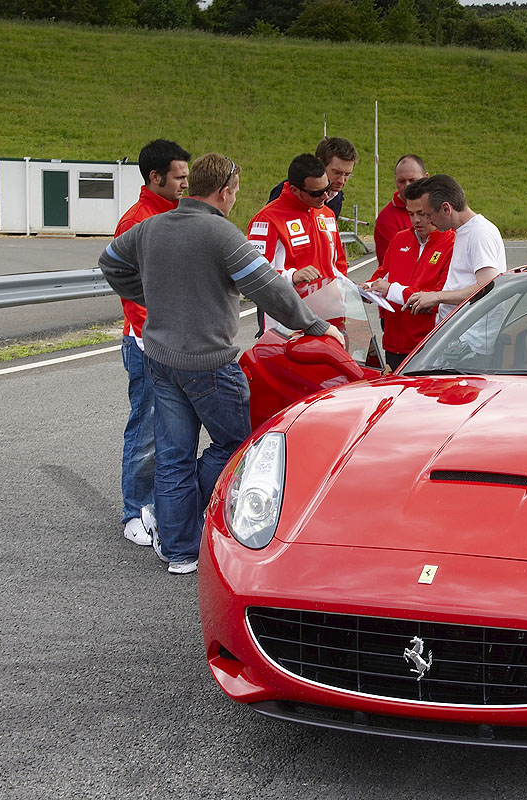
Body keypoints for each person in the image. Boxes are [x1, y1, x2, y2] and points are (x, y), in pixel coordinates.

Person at [99, 153, 344, 575]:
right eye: (235, 192)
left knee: (173, 455)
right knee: (237, 447)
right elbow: (268, 288)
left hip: (160, 358)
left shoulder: (152, 227)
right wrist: (315, 324)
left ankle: (179, 549)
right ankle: (183, 518)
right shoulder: (221, 234)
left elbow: (110, 262)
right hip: (209, 362)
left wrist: (149, 294)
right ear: (224, 191)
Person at [114, 139, 189, 548]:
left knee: (173, 431)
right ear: (155, 177)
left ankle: (162, 507)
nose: (185, 184)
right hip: (148, 345)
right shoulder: (136, 222)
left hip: (177, 341)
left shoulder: (178, 214)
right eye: (179, 178)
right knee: (145, 430)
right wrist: (154, 338)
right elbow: (132, 293)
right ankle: (134, 512)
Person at [404, 175, 506, 340]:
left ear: (446, 209)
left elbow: (487, 287)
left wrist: (436, 297)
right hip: (460, 334)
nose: (428, 220)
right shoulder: (465, 231)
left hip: (470, 339)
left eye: (428, 214)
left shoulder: (479, 233)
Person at [362, 190, 454, 368]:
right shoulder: (400, 238)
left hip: (428, 346)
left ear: (434, 210)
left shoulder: (452, 243)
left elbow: (440, 297)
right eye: (410, 214)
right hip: (392, 344)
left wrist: (392, 290)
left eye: (421, 213)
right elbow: (382, 275)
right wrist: (368, 288)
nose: (416, 220)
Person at [268, 136, 357, 218]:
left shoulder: (336, 196)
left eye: (347, 174)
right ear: (320, 164)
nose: (342, 181)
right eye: (337, 172)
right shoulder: (286, 191)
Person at [373, 154, 428, 258]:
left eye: (412, 180)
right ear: (395, 181)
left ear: (426, 178)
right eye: (401, 181)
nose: (407, 186)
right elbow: (391, 262)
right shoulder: (386, 219)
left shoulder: (439, 209)